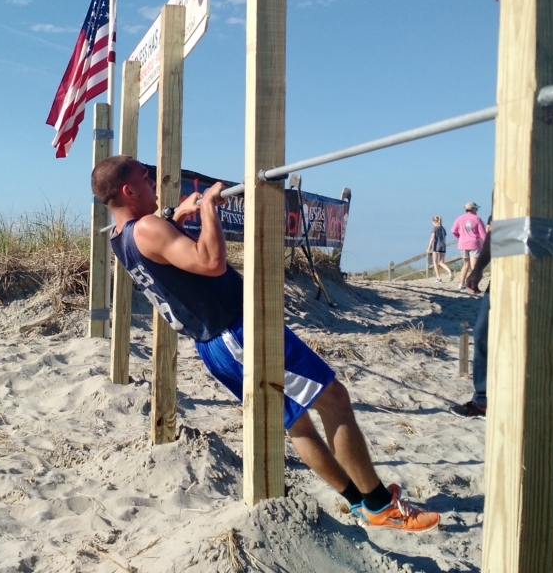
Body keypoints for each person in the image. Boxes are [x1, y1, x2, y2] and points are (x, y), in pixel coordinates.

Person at [92, 156, 440, 532]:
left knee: (298, 424)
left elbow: (158, 252)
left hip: (215, 345)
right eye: (146, 178)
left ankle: (359, 503)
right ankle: (378, 505)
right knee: (334, 399)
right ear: (128, 190)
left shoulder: (120, 236)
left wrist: (176, 219)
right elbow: (210, 262)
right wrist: (208, 208)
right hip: (237, 335)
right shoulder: (147, 228)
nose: (154, 184)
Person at [450, 212, 492, 419]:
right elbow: (491, 234)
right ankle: (483, 401)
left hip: (541, 276)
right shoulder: (504, 195)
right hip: (503, 278)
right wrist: (479, 270)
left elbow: (454, 231)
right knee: (483, 336)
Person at [451, 202, 486, 291]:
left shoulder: (459, 218)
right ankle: (474, 285)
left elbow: (453, 230)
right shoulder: (477, 219)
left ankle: (462, 283)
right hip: (474, 243)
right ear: (473, 209)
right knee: (474, 266)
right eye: (476, 208)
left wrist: (460, 236)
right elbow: (483, 234)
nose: (477, 210)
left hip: (463, 244)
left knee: (465, 265)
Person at [427, 216, 452, 283]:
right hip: (443, 246)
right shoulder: (443, 229)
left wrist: (429, 247)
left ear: (434, 222)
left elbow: (432, 238)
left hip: (436, 246)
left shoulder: (435, 228)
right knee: (441, 262)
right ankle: (449, 271)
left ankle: (438, 278)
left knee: (435, 262)